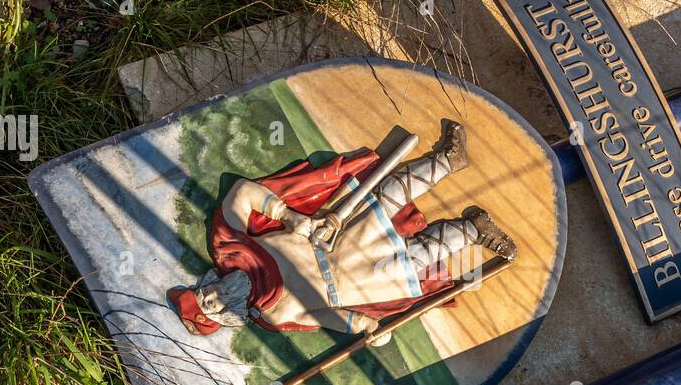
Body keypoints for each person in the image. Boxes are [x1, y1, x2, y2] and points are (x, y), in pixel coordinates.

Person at [167, 121, 517, 343]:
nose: (213, 295)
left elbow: (242, 194)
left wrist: (288, 217)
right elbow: (323, 317)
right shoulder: (272, 312)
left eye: (204, 294)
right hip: (354, 280)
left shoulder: (229, 249)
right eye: (210, 306)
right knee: (418, 257)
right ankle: (475, 229)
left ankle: (447, 160)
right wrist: (365, 328)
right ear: (226, 317)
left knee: (388, 193)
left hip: (332, 233)